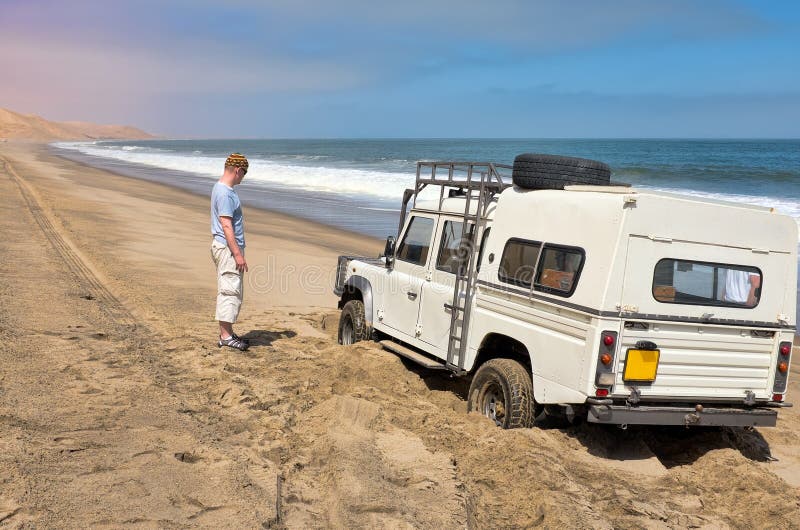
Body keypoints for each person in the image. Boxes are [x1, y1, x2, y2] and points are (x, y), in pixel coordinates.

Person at [211, 153, 250, 350]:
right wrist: (238, 255)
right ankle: (225, 336)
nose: (243, 178)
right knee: (229, 290)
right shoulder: (225, 193)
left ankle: (227, 331)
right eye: (244, 173)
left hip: (224, 247)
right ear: (237, 170)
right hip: (227, 249)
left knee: (231, 289)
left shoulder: (220, 188)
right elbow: (227, 226)